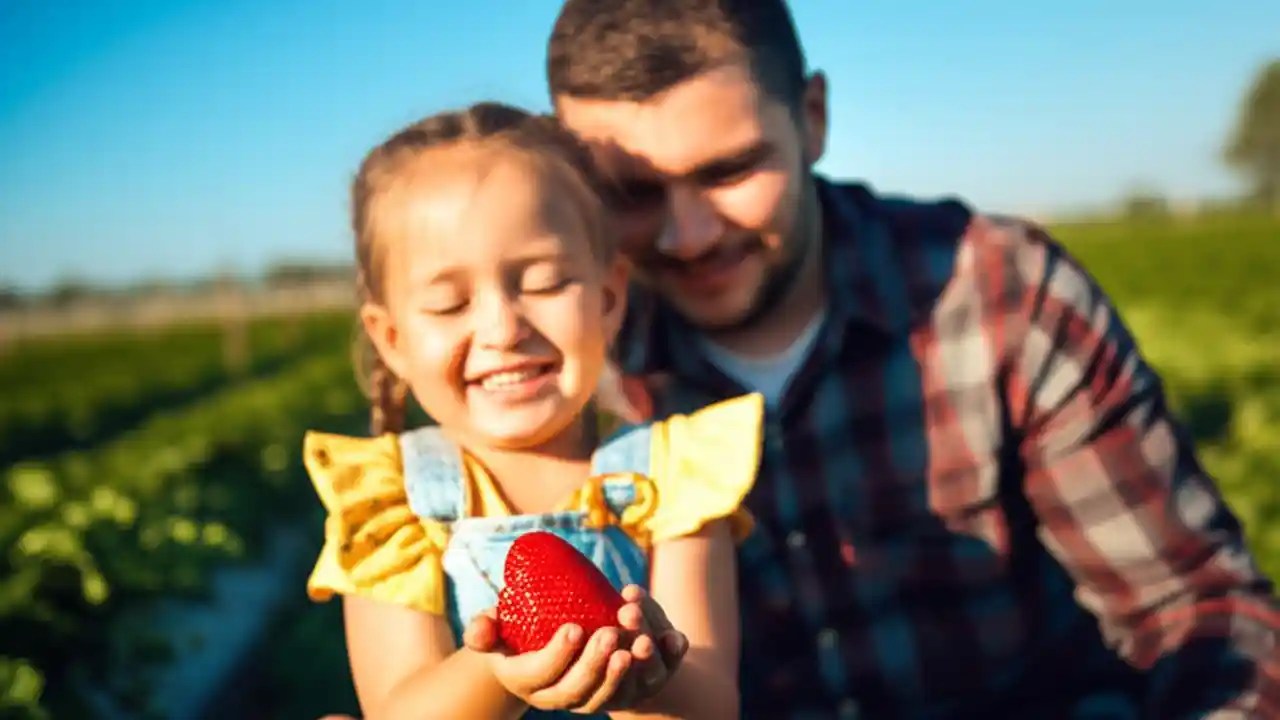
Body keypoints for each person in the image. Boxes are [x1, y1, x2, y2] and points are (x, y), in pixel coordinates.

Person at [528, 0, 1280, 717]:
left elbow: (1190, 610)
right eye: (633, 194)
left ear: (813, 118)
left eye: (729, 172)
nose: (686, 235)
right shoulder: (561, 370)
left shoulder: (998, 293)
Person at [301, 102, 760, 719]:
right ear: (391, 339)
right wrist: (502, 666)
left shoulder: (673, 481)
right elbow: (399, 707)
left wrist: (644, 670)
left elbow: (710, 706)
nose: (502, 328)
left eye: (543, 283)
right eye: (447, 303)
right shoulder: (391, 504)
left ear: (608, 299)